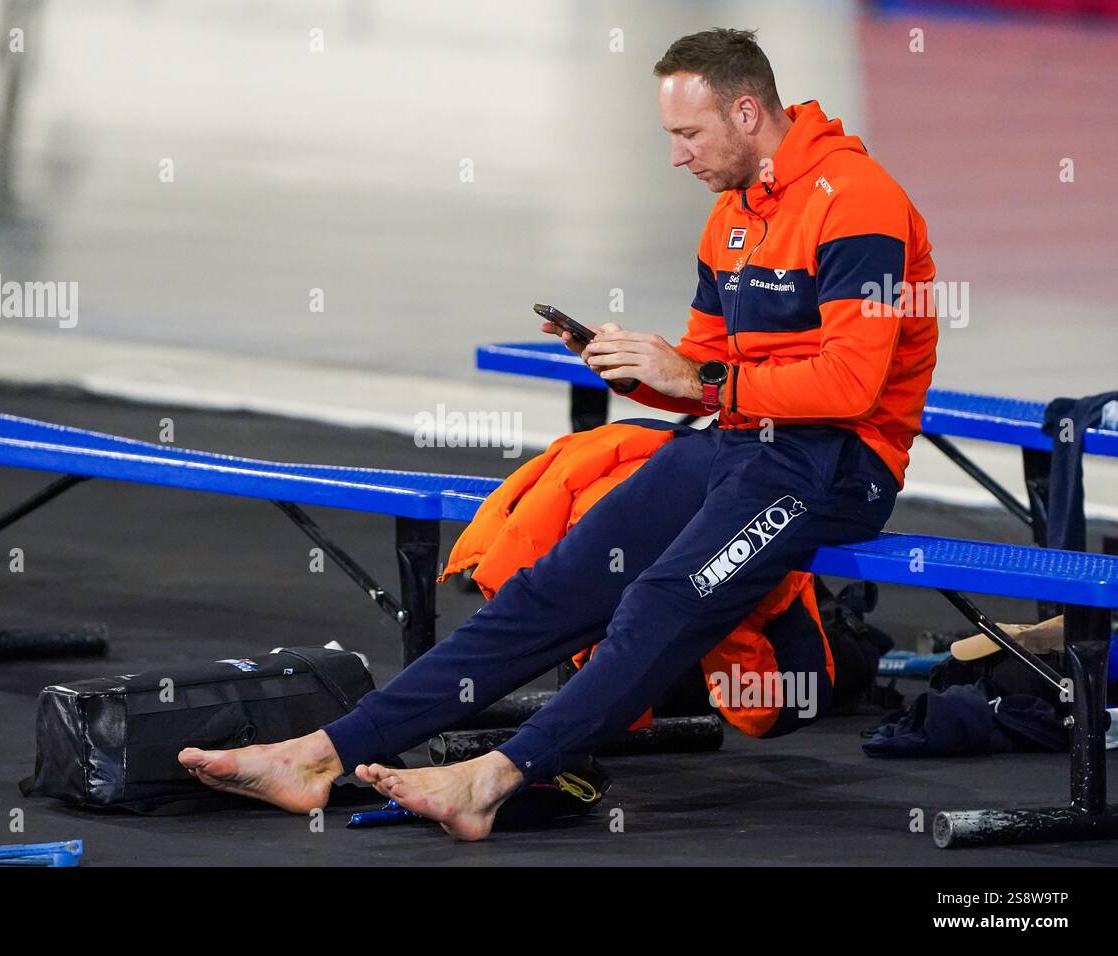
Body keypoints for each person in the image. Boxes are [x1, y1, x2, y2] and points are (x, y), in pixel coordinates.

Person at [178, 27, 938, 841]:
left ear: (747, 113)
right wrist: (634, 369)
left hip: (836, 465)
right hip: (743, 442)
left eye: (688, 134)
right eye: (670, 136)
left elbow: (851, 385)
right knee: (555, 586)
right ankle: (322, 757)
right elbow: (705, 370)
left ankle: (493, 781)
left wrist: (698, 379)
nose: (677, 156)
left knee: (659, 600)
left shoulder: (858, 201)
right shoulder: (732, 216)